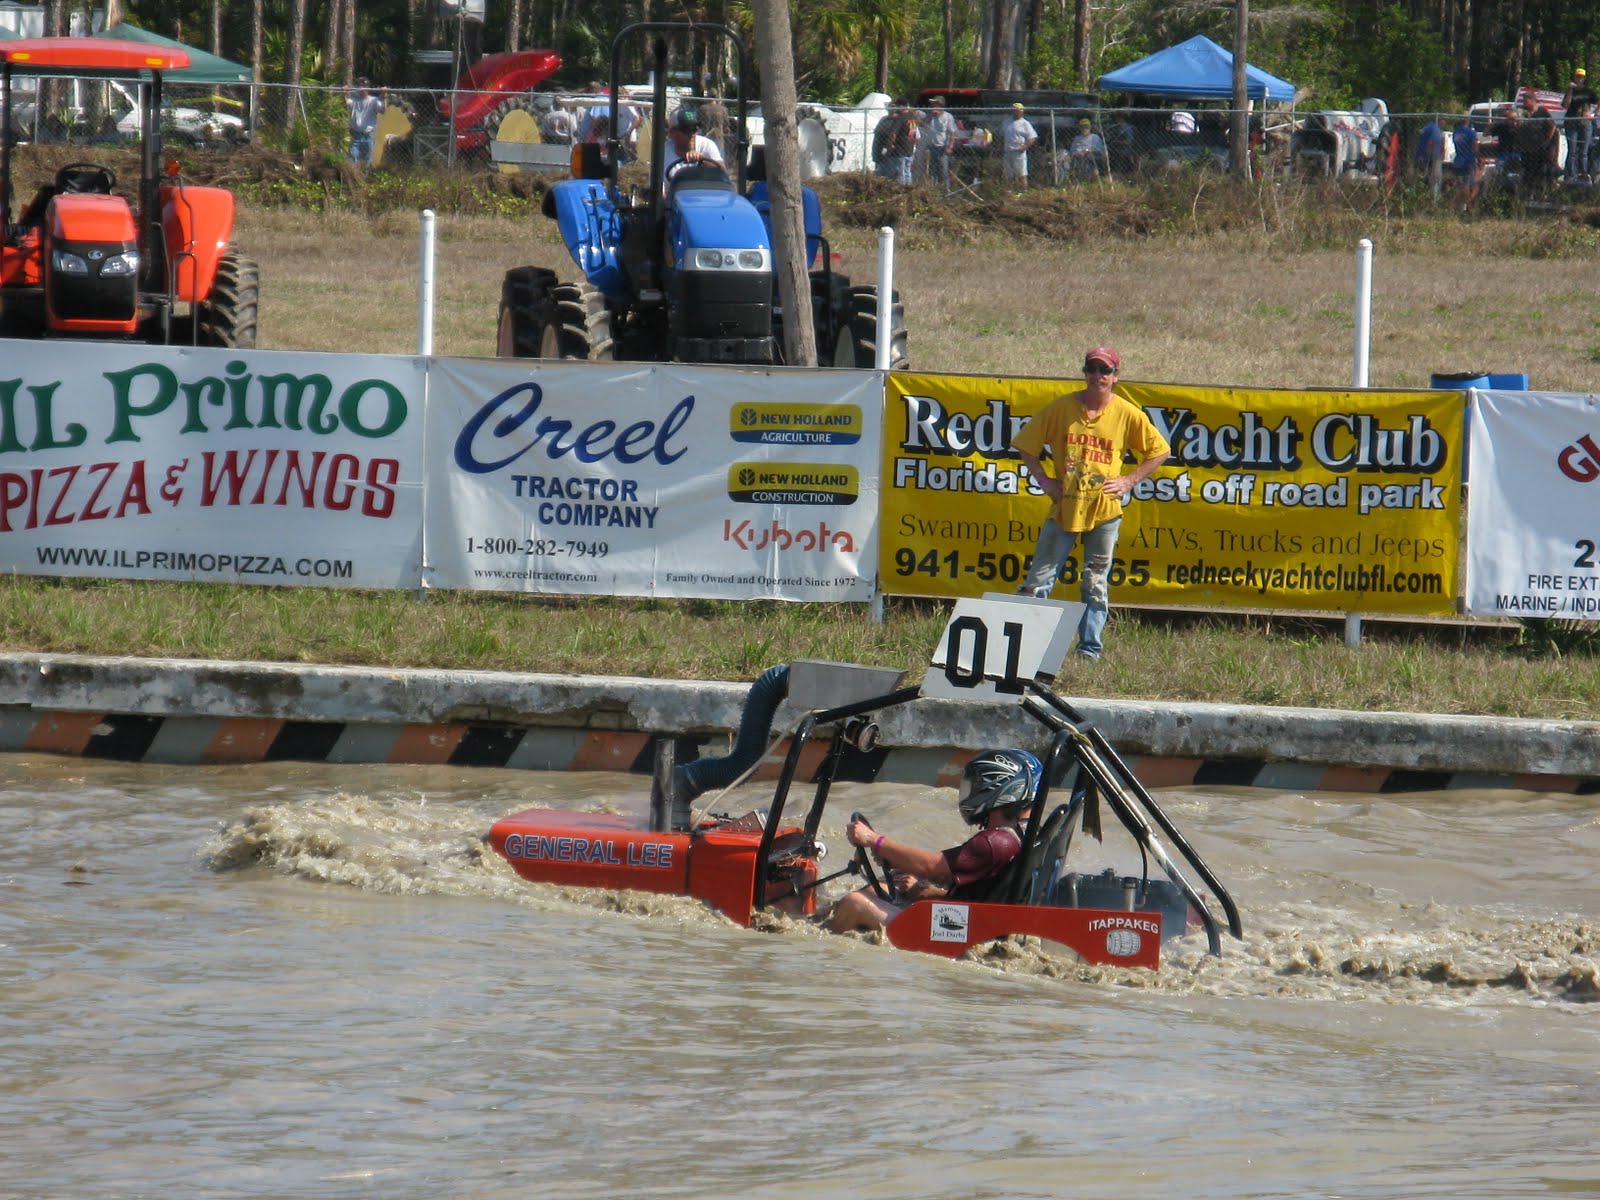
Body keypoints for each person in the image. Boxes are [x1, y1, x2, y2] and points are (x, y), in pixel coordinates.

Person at [1012, 346, 1171, 661]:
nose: (1098, 375)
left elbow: (1159, 451)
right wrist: (1044, 481)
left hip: (1105, 513)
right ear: (1085, 372)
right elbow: (1026, 445)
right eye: (1092, 369)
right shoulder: (1061, 408)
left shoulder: (1127, 413)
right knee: (1039, 580)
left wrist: (1128, 481)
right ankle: (1023, 649)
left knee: (1095, 583)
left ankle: (1089, 651)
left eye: (1105, 370)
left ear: (1116, 377)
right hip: (1064, 511)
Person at [826, 749, 1042, 933]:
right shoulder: (1023, 834)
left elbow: (929, 864)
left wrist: (873, 839)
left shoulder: (995, 842)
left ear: (1002, 789)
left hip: (964, 931)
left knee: (853, 904)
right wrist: (918, 883)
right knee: (881, 887)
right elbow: (963, 879)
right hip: (978, 921)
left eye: (978, 787)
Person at [662, 109, 725, 185]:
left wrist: (703, 160)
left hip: (703, 193)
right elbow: (658, 185)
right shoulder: (664, 151)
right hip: (675, 194)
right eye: (687, 130)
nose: (692, 134)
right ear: (672, 132)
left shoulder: (707, 145)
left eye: (694, 129)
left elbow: (723, 172)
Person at [1512, 89, 1558, 193]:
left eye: (1526, 100)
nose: (1524, 103)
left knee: (1541, 169)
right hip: (1526, 148)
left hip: (1539, 147)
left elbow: (1552, 126)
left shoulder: (1542, 112)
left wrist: (1548, 140)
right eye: (1523, 101)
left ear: (1533, 100)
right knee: (1527, 170)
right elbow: (1512, 115)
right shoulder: (1523, 111)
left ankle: (1542, 190)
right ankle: (1528, 191)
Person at [1562, 67, 1596, 181]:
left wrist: (1593, 114)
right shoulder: (1570, 91)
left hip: (1585, 123)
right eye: (1577, 77)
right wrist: (1570, 90)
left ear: (1584, 79)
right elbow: (1566, 105)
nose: (1579, 79)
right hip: (1571, 122)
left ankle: (1584, 173)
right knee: (1572, 150)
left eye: (1581, 77)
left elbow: (1597, 100)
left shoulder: (1588, 91)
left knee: (1584, 151)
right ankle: (1571, 174)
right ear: (1574, 77)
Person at [872, 100, 918, 184]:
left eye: (895, 106)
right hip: (904, 150)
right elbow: (912, 132)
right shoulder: (911, 117)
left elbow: (894, 134)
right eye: (892, 107)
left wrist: (890, 145)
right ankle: (907, 188)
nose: (894, 109)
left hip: (900, 150)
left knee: (901, 173)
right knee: (905, 172)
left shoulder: (901, 118)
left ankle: (903, 190)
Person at [345, 79, 385, 166]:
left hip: (368, 135)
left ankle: (366, 177)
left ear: (368, 88)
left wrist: (383, 94)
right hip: (356, 135)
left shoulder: (374, 100)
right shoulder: (353, 99)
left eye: (364, 86)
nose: (362, 88)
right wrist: (345, 92)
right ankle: (354, 176)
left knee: (367, 160)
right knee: (353, 158)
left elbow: (382, 110)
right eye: (360, 86)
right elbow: (346, 104)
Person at [998, 101, 1037, 189]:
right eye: (1015, 110)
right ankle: (1009, 191)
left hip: (1018, 152)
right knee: (1008, 174)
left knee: (1021, 174)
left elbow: (1032, 137)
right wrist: (1000, 146)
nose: (1018, 112)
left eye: (1019, 110)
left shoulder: (1025, 124)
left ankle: (1023, 192)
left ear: (1022, 111)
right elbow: (1001, 135)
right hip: (1007, 151)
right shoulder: (1006, 122)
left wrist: (1025, 147)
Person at [922, 96, 957, 188]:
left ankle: (946, 191)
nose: (933, 106)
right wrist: (930, 116)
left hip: (942, 148)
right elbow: (921, 124)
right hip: (931, 147)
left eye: (935, 104)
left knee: (943, 171)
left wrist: (950, 147)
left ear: (940, 105)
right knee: (932, 171)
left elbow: (952, 133)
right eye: (932, 105)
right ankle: (933, 190)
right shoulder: (929, 116)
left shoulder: (948, 117)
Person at [1450, 110, 1480, 206]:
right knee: (1473, 187)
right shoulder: (1471, 132)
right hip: (1468, 162)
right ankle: (1466, 205)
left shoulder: (1456, 131)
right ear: (1468, 119)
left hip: (1458, 161)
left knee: (1461, 186)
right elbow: (1475, 147)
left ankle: (1460, 206)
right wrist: (1478, 158)